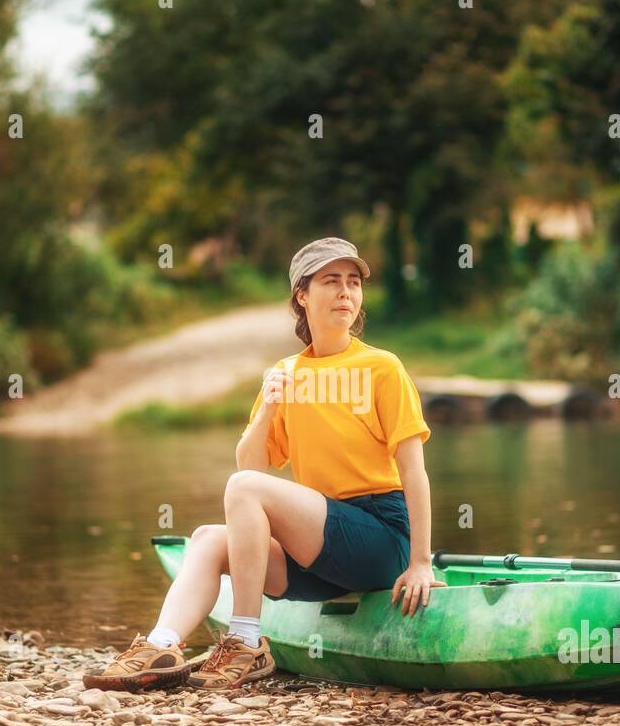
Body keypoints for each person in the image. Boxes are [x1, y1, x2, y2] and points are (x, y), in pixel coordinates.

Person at [85, 236, 439, 692]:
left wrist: (421, 563)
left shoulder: (382, 368)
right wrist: (271, 407)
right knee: (208, 539)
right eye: (332, 281)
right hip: (321, 549)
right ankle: (162, 644)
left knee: (244, 489)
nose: (346, 292)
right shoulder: (286, 372)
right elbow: (252, 465)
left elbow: (413, 469)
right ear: (302, 296)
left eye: (354, 282)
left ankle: (245, 640)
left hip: (380, 536)